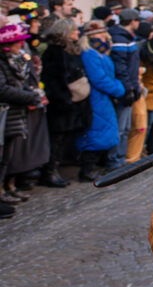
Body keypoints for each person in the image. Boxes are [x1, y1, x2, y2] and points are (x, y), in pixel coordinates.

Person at [39, 19, 89, 186]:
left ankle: (54, 169)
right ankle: (49, 172)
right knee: (57, 138)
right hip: (60, 103)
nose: (77, 33)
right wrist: (64, 99)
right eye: (74, 30)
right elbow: (53, 79)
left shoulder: (70, 49)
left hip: (71, 101)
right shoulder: (55, 52)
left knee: (63, 138)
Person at [0, 21, 45, 206]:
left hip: (16, 113)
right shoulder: (2, 62)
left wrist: (33, 94)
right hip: (6, 113)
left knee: (10, 155)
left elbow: (23, 82)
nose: (21, 45)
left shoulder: (18, 60)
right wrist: (30, 97)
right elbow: (3, 89)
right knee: (3, 155)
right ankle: (1, 190)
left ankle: (8, 186)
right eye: (17, 42)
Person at [75, 21, 126, 182]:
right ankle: (87, 169)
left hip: (103, 98)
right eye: (98, 34)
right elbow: (99, 78)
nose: (103, 36)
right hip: (96, 98)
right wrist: (118, 88)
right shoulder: (89, 54)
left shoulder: (100, 52)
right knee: (95, 133)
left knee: (103, 131)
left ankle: (95, 165)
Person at [107, 9, 141, 169]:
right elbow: (121, 68)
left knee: (126, 127)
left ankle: (121, 157)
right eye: (137, 20)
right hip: (123, 88)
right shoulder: (119, 39)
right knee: (120, 127)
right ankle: (114, 159)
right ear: (132, 21)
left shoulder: (127, 37)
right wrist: (129, 88)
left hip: (129, 86)